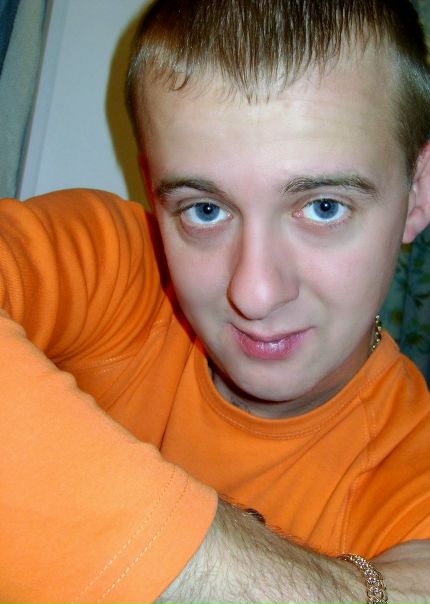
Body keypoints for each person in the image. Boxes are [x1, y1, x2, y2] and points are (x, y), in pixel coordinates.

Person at [1, 0, 430, 602]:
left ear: (418, 192)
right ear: (154, 190)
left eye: (323, 207)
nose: (254, 293)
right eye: (205, 210)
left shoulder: (411, 467)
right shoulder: (114, 268)